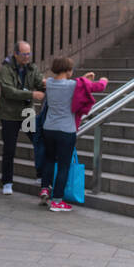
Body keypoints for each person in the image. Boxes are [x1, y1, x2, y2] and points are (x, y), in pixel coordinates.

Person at [38, 57, 107, 213]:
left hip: (49, 128)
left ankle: (44, 189)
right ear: (68, 71)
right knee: (63, 166)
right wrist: (103, 80)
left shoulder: (49, 83)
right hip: (66, 130)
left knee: (49, 159)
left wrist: (84, 79)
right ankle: (57, 201)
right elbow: (97, 87)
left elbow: (78, 83)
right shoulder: (73, 85)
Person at [0, 40, 45, 195]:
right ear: (15, 54)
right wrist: (31, 94)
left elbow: (39, 82)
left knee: (38, 142)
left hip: (27, 113)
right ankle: (7, 182)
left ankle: (41, 175)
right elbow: (9, 91)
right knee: (9, 149)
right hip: (10, 114)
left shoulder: (32, 68)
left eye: (28, 53)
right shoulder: (6, 69)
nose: (27, 57)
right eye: (24, 54)